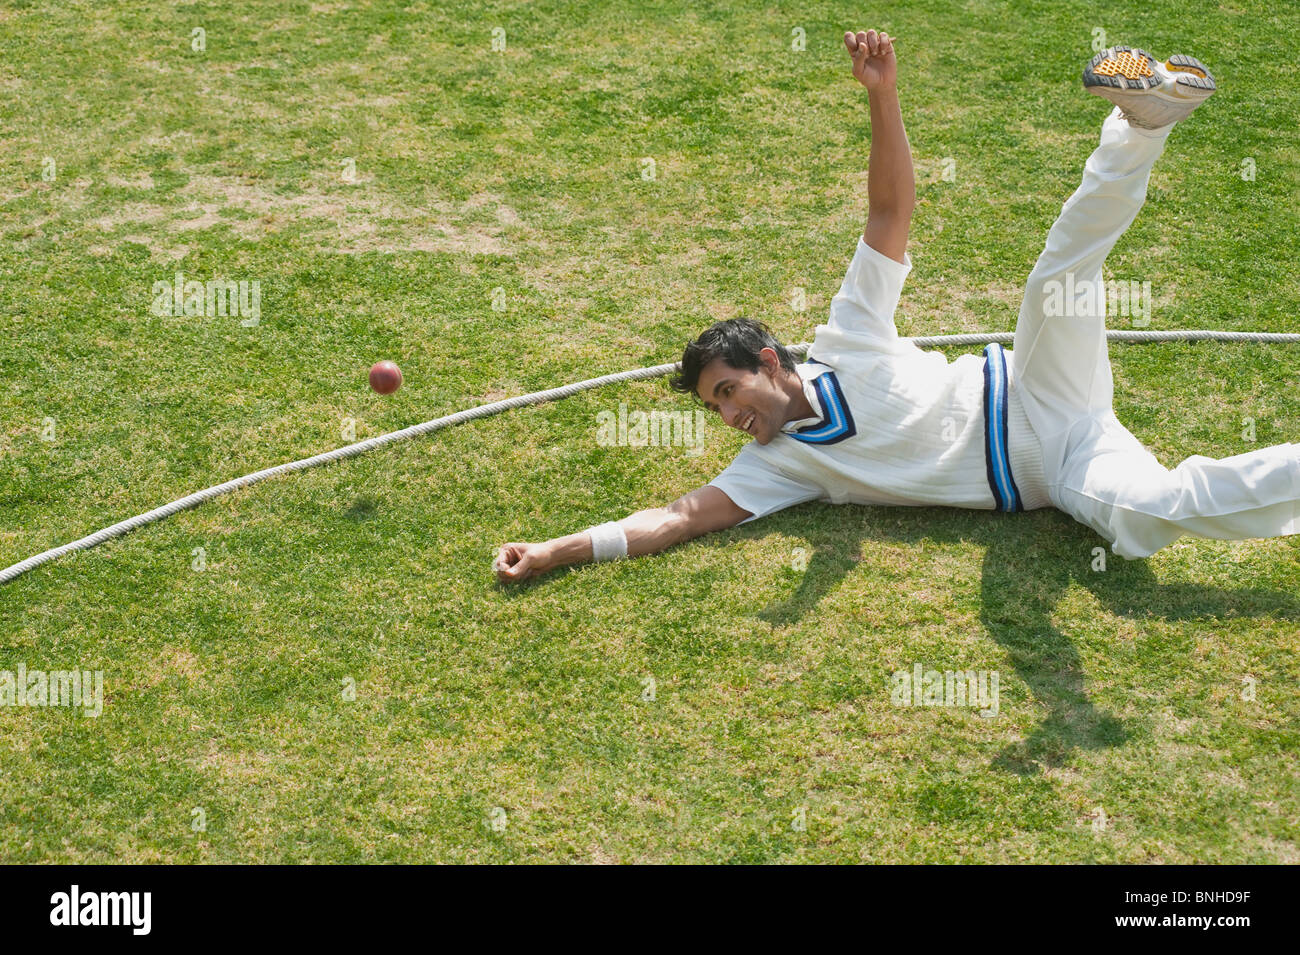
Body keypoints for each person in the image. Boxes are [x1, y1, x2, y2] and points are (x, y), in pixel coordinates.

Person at [494, 31, 1298, 584]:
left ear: (769, 360)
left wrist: (883, 95)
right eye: (716, 407)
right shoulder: (779, 466)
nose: (730, 414)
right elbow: (672, 519)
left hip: (1036, 386)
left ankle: (1139, 124)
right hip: (1053, 469)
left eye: (728, 391)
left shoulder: (846, 335)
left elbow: (887, 215)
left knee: (1058, 274)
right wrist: (553, 551)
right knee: (1148, 515)